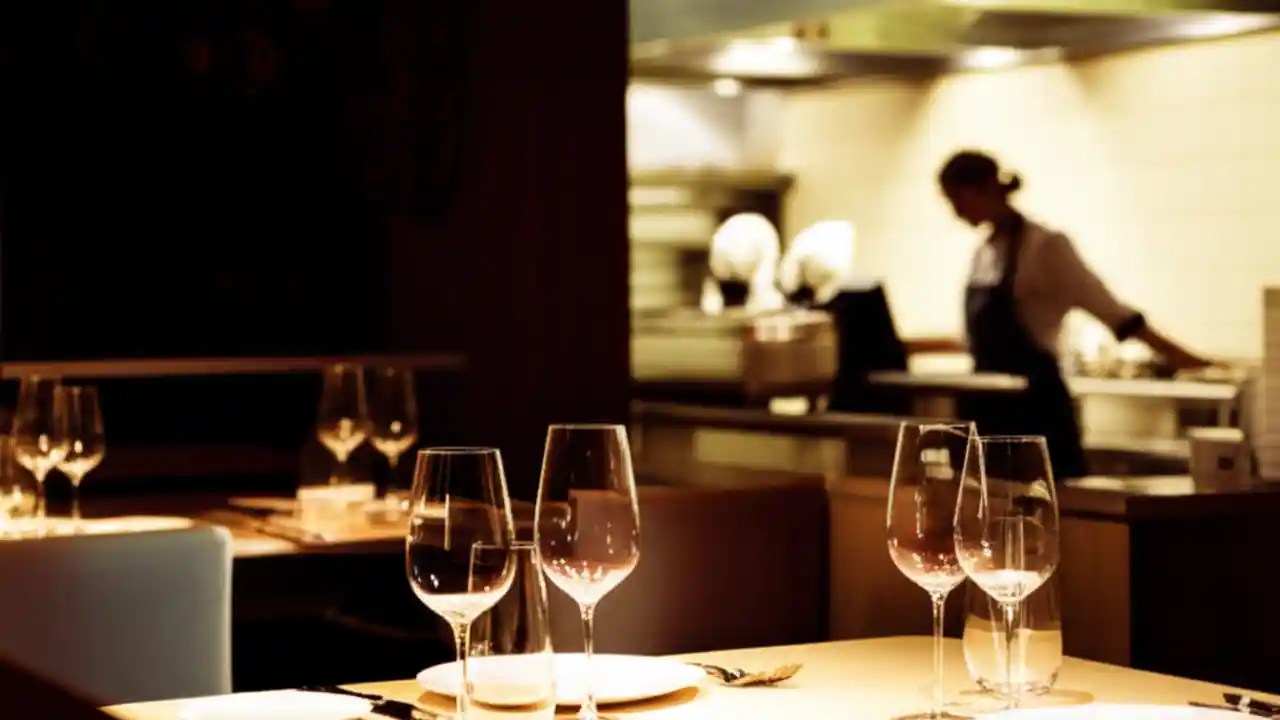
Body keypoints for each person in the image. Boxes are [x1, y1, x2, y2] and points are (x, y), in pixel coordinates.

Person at [939, 150, 1208, 479]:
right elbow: (974, 338)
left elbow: (1113, 313)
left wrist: (1189, 360)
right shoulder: (984, 251)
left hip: (1035, 408)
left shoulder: (1046, 246)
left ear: (983, 189)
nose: (955, 212)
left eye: (956, 199)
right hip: (989, 408)